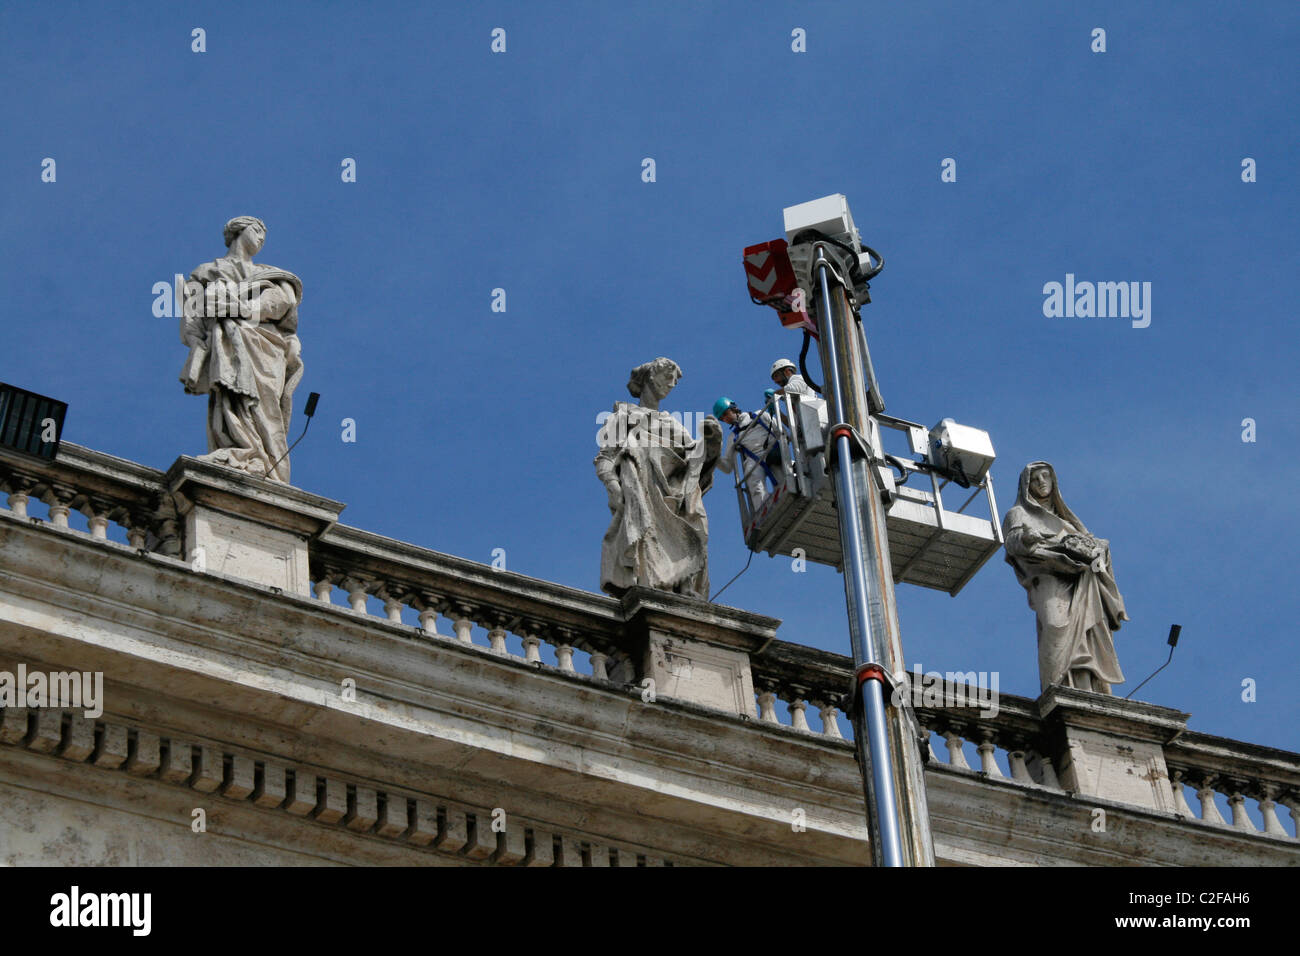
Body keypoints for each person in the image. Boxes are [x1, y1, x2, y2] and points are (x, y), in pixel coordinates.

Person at [180, 216, 304, 483]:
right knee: (232, 397)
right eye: (257, 230)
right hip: (226, 341)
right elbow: (192, 314)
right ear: (237, 231)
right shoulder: (206, 271)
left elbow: (284, 305)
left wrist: (244, 308)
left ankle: (269, 462)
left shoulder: (272, 275)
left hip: (266, 347)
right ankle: (243, 452)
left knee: (266, 404)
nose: (261, 237)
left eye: (264, 235)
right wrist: (195, 343)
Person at [594, 358, 721, 599]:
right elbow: (605, 458)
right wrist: (612, 484)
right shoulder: (625, 415)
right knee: (648, 535)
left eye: (674, 381)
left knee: (693, 526)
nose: (671, 384)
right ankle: (649, 584)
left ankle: (684, 586)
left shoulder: (671, 423)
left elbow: (696, 462)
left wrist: (712, 441)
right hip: (643, 489)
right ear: (650, 378)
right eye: (667, 377)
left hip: (674, 494)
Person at [1002, 461, 1128, 695]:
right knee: (1054, 624)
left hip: (1078, 579)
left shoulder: (1069, 522)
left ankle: (1087, 685)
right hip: (1047, 576)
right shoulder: (1018, 513)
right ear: (1027, 486)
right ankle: (1056, 686)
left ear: (1053, 482)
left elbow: (1089, 544)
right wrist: (1028, 538)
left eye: (1045, 477)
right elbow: (1012, 542)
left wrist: (1099, 549)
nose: (1041, 482)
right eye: (1036, 479)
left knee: (1087, 631)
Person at [713, 396, 780, 512]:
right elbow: (728, 467)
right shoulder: (733, 437)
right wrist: (713, 455)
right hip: (754, 459)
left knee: (782, 476)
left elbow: (781, 433)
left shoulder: (760, 415)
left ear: (733, 408)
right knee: (755, 484)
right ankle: (764, 510)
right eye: (722, 418)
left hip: (771, 451)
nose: (726, 418)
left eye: (726, 413)